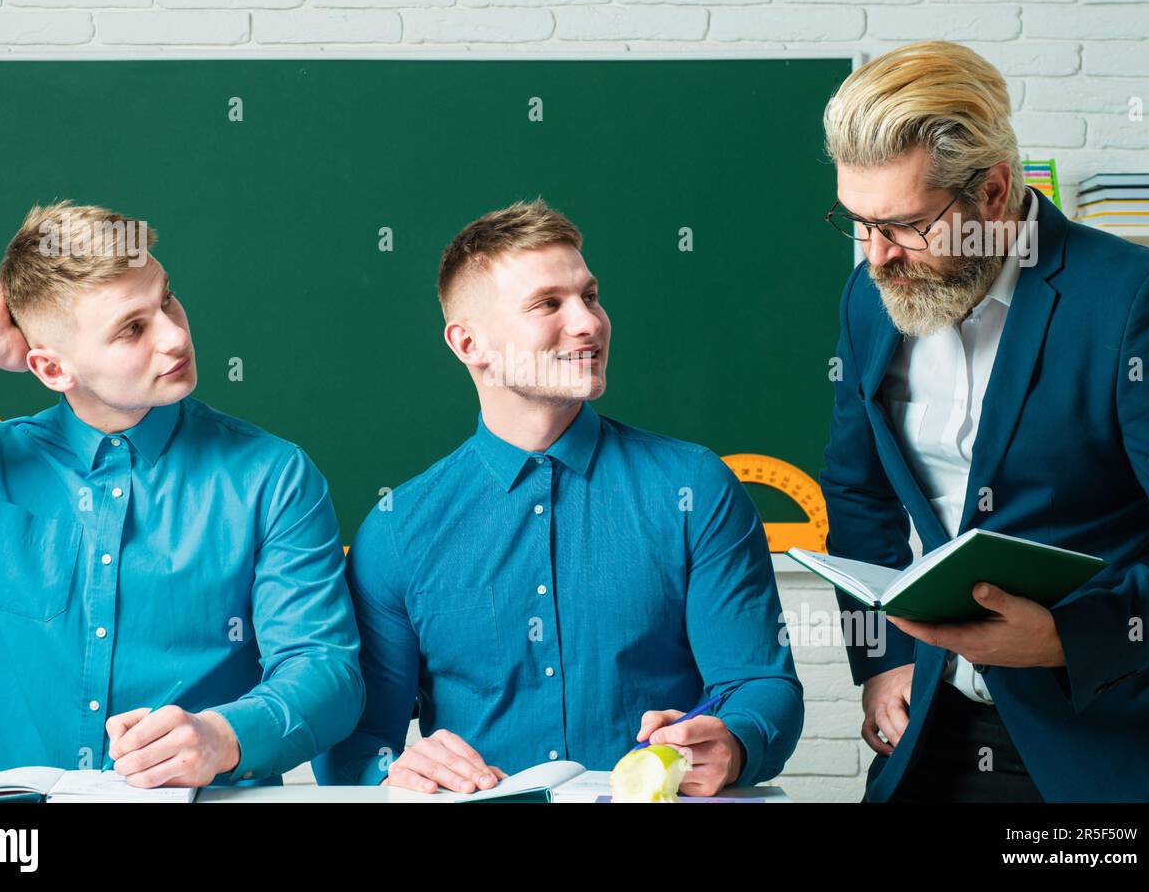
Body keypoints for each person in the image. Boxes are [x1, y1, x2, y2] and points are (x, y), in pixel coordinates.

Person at [313, 199, 802, 795]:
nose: (590, 323)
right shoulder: (397, 531)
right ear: (469, 344)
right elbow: (355, 742)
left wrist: (733, 742)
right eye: (548, 304)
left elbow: (759, 684)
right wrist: (391, 771)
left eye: (590, 296)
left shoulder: (695, 487)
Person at [819, 40, 1149, 801]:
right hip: (933, 728)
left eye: (906, 225)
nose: (878, 255)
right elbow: (855, 490)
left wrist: (1063, 636)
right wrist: (881, 657)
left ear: (993, 192)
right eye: (857, 221)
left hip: (1109, 740)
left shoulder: (1141, 305)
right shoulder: (868, 295)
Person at [0, 201, 363, 787]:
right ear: (52, 369)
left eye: (167, 299)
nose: (175, 335)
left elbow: (326, 672)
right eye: (132, 328)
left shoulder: (274, 476)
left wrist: (226, 736)